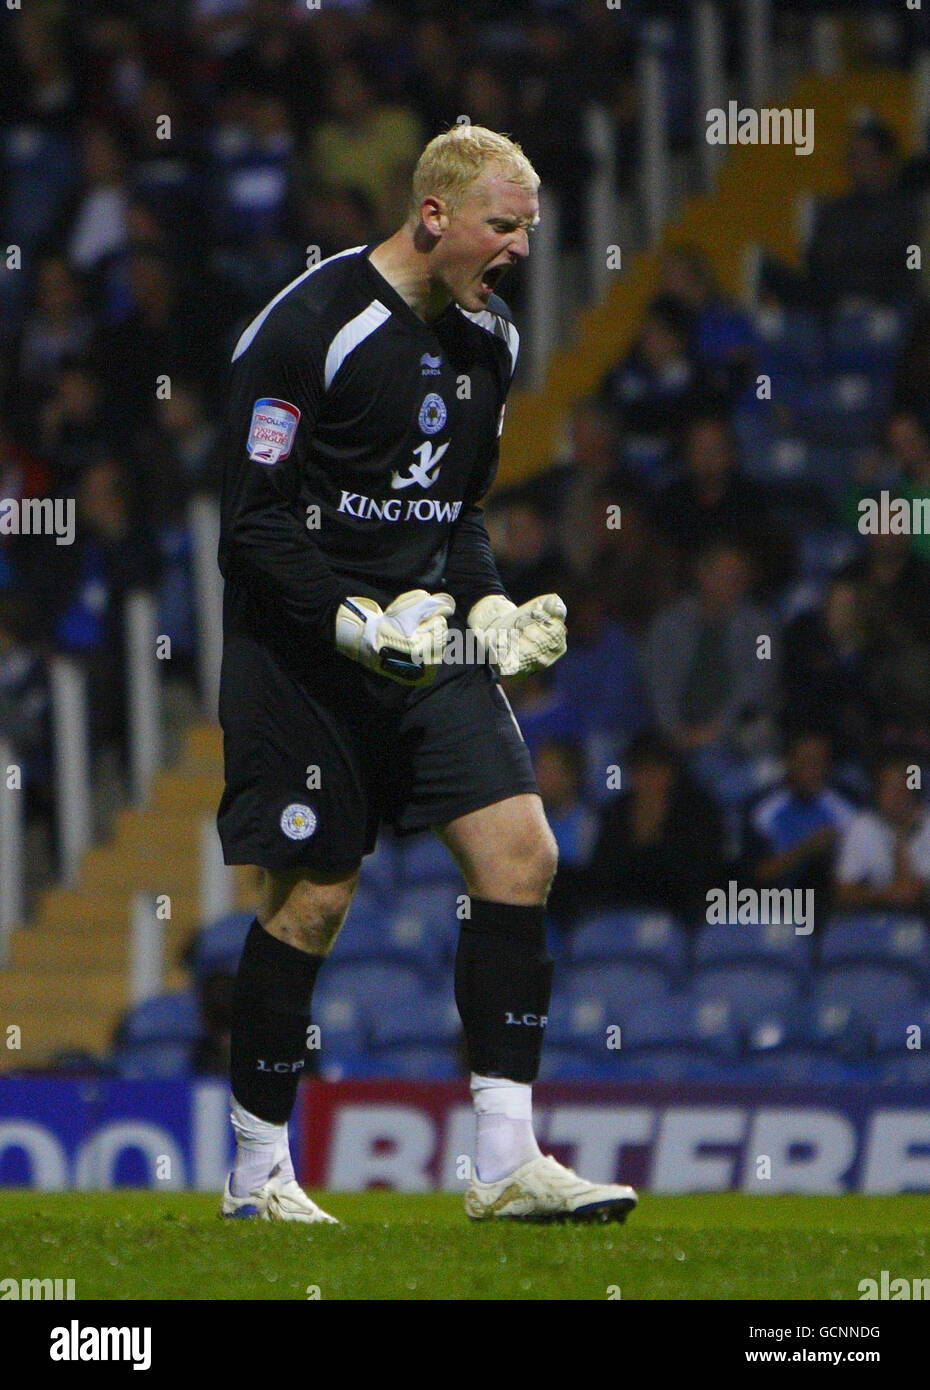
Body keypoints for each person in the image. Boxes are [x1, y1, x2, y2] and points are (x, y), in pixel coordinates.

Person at [216, 125, 636, 1226]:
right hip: (303, 652)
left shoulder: (489, 342)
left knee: (521, 853)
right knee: (313, 900)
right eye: (506, 226)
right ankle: (257, 1171)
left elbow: (453, 516)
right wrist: (354, 621)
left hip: (430, 647)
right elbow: (252, 530)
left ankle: (505, 1163)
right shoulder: (310, 325)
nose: (519, 249)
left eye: (531, 229)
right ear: (436, 215)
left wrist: (488, 605)